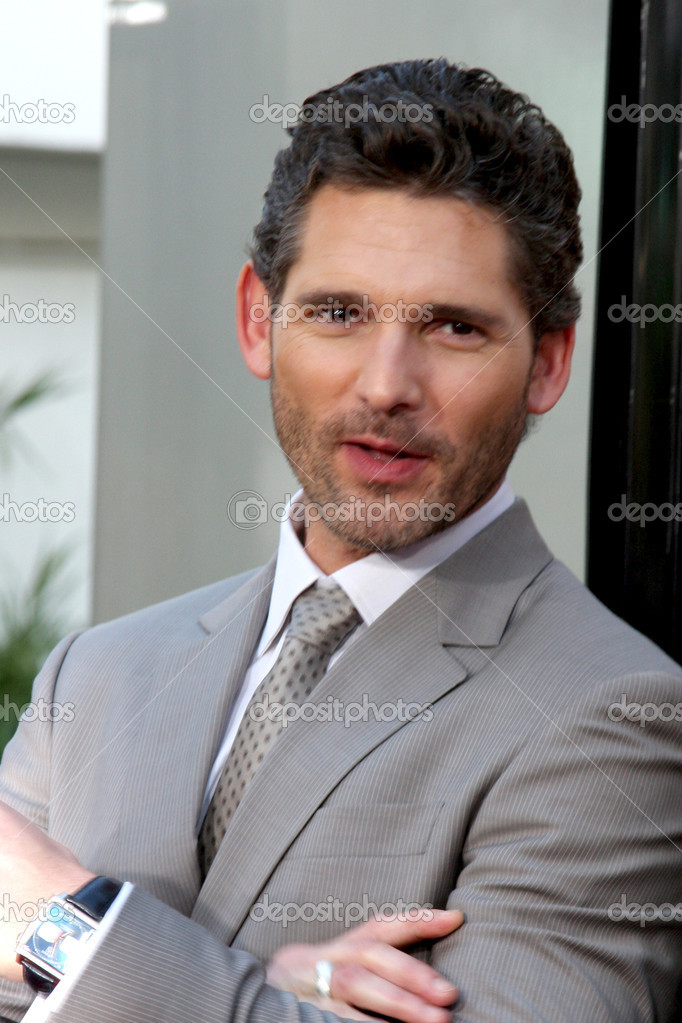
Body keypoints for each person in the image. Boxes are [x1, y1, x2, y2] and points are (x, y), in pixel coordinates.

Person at [0, 57, 680, 1023]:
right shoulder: (95, 675)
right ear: (257, 319)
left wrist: (60, 926)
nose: (386, 385)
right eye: (338, 313)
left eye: (453, 327)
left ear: (548, 362)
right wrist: (275, 991)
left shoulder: (614, 714)